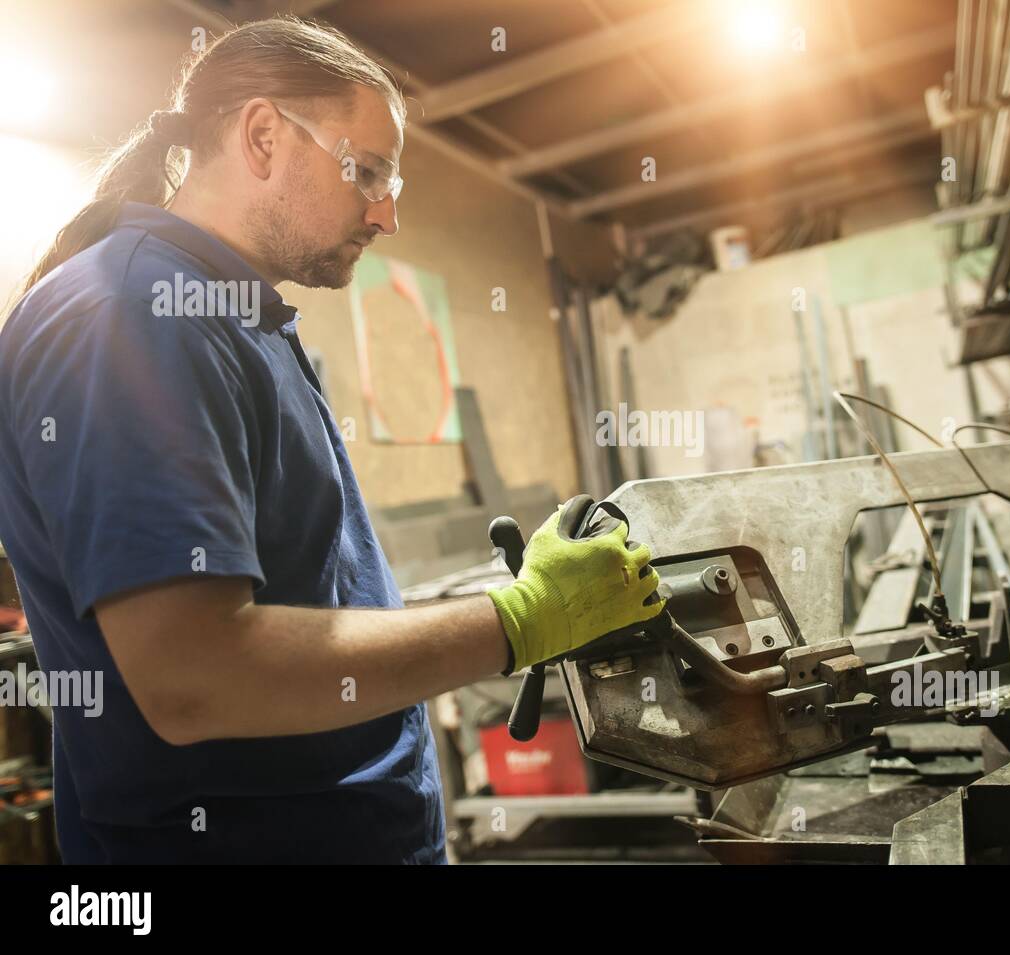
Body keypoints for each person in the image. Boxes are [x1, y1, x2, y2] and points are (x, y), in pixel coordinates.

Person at [0, 16, 660, 863]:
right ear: (265, 135)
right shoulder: (135, 316)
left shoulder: (244, 317)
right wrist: (520, 618)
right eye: (370, 172)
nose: (386, 215)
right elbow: (193, 675)